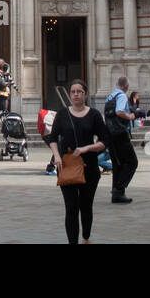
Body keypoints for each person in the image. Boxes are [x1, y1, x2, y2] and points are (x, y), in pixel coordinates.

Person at [45, 79, 109, 244]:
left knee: (86, 206)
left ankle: (86, 237)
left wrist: (86, 148)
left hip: (89, 167)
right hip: (67, 166)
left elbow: (104, 141)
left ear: (85, 95)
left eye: (79, 92)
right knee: (71, 207)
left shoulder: (94, 115)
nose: (76, 95)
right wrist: (56, 156)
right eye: (73, 91)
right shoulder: (62, 114)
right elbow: (52, 138)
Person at [103, 75, 138, 203]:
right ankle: (118, 189)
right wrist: (130, 117)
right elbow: (119, 111)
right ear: (126, 87)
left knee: (118, 164)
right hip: (120, 133)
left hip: (110, 133)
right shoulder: (122, 96)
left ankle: (117, 195)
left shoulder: (110, 96)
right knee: (132, 162)